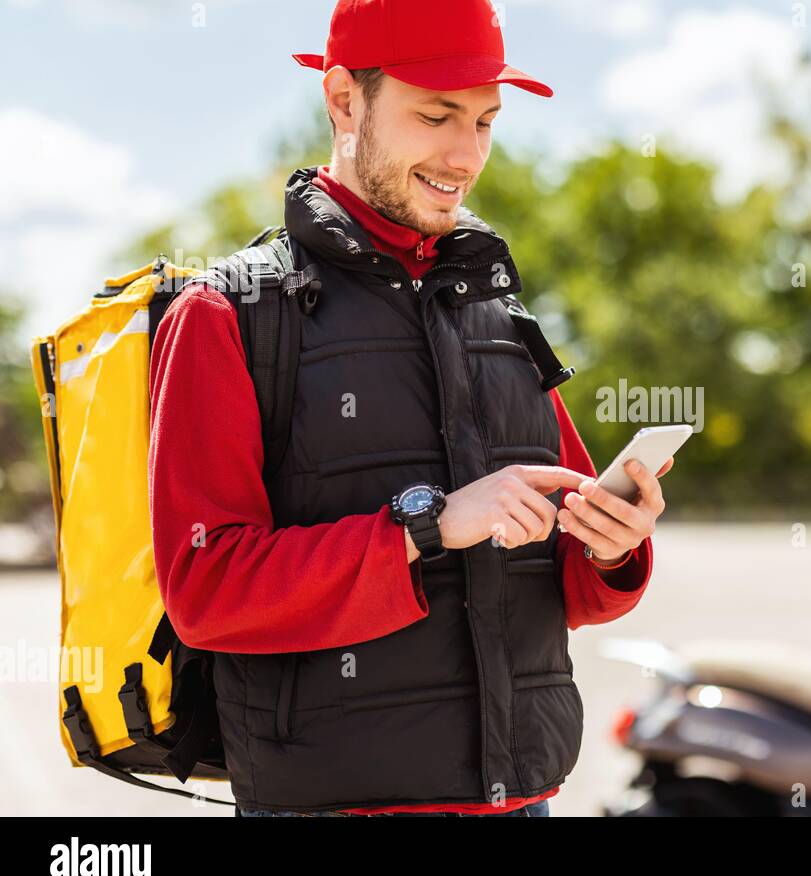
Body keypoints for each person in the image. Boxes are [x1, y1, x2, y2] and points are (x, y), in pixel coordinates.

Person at [147, 0, 670, 817]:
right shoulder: (226, 316)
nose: (466, 156)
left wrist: (612, 548)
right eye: (436, 114)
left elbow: (560, 584)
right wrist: (426, 527)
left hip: (519, 800)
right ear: (344, 100)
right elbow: (206, 590)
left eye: (487, 121)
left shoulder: (499, 313)